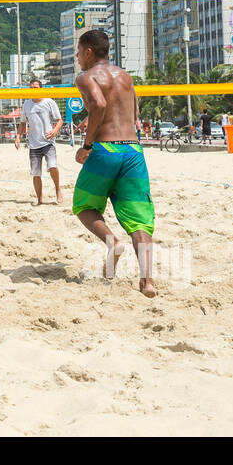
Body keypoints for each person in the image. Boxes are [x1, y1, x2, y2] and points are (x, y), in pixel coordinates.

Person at [71, 29, 156, 298]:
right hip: (132, 150)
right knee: (140, 220)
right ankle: (147, 282)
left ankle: (112, 243)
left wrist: (87, 145)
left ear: (88, 52)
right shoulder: (126, 77)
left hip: (105, 149)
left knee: (84, 205)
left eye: (77, 52)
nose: (76, 57)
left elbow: (98, 103)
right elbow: (131, 112)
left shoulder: (86, 77)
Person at [14, 79, 63, 205]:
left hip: (48, 142)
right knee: (36, 173)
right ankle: (40, 200)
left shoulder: (49, 101)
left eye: (35, 87)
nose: (33, 90)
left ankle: (58, 189)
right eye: (31, 88)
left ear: (41, 88)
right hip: (34, 144)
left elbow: (59, 120)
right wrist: (18, 137)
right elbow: (23, 123)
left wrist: (54, 131)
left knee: (52, 166)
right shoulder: (26, 104)